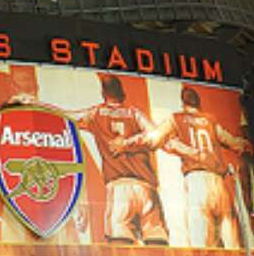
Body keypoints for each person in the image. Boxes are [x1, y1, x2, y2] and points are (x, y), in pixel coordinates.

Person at [13, 75, 167, 245]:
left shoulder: (95, 114)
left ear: (103, 93)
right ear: (122, 93)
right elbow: (156, 136)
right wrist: (130, 142)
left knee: (120, 242)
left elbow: (66, 115)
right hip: (147, 187)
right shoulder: (135, 113)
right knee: (156, 239)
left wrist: (32, 102)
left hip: (119, 186)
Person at [131, 86, 250, 248]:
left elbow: (153, 140)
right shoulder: (210, 120)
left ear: (183, 103)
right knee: (234, 245)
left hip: (197, 182)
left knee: (203, 246)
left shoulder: (176, 118)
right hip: (219, 182)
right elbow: (233, 142)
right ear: (199, 103)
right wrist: (246, 143)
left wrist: (130, 142)